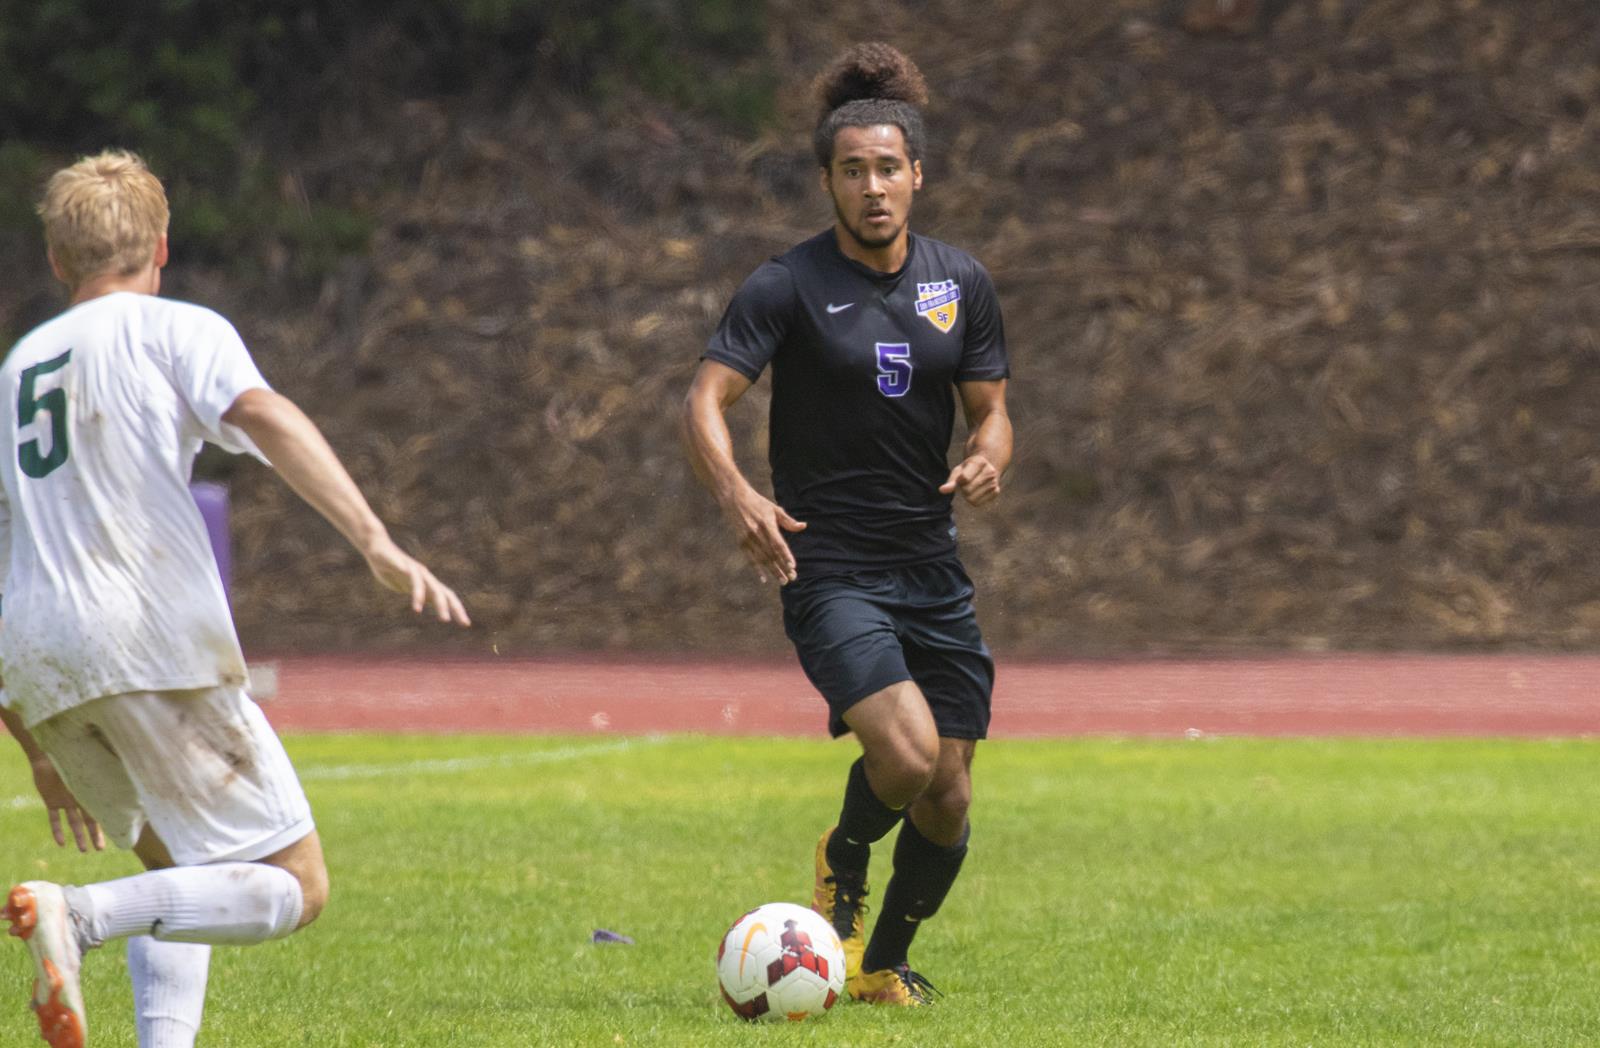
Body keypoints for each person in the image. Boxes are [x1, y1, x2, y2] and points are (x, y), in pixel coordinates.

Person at [0, 149, 471, 1048]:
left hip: (38, 656)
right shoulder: (177, 328)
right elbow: (263, 414)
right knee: (297, 884)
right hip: (145, 638)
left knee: (177, 870)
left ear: (57, 261)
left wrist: (32, 735)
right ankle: (79, 914)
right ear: (162, 247)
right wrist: (373, 539)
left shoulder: (19, 367)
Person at [682, 43, 1012, 1006]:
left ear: (917, 174)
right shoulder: (785, 286)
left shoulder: (960, 284)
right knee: (904, 758)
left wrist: (991, 451)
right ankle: (845, 849)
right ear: (828, 179)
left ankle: (880, 964)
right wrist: (738, 494)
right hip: (829, 568)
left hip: (931, 565)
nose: (873, 188)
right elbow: (705, 400)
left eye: (889, 168)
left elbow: (992, 408)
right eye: (853, 170)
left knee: (948, 794)